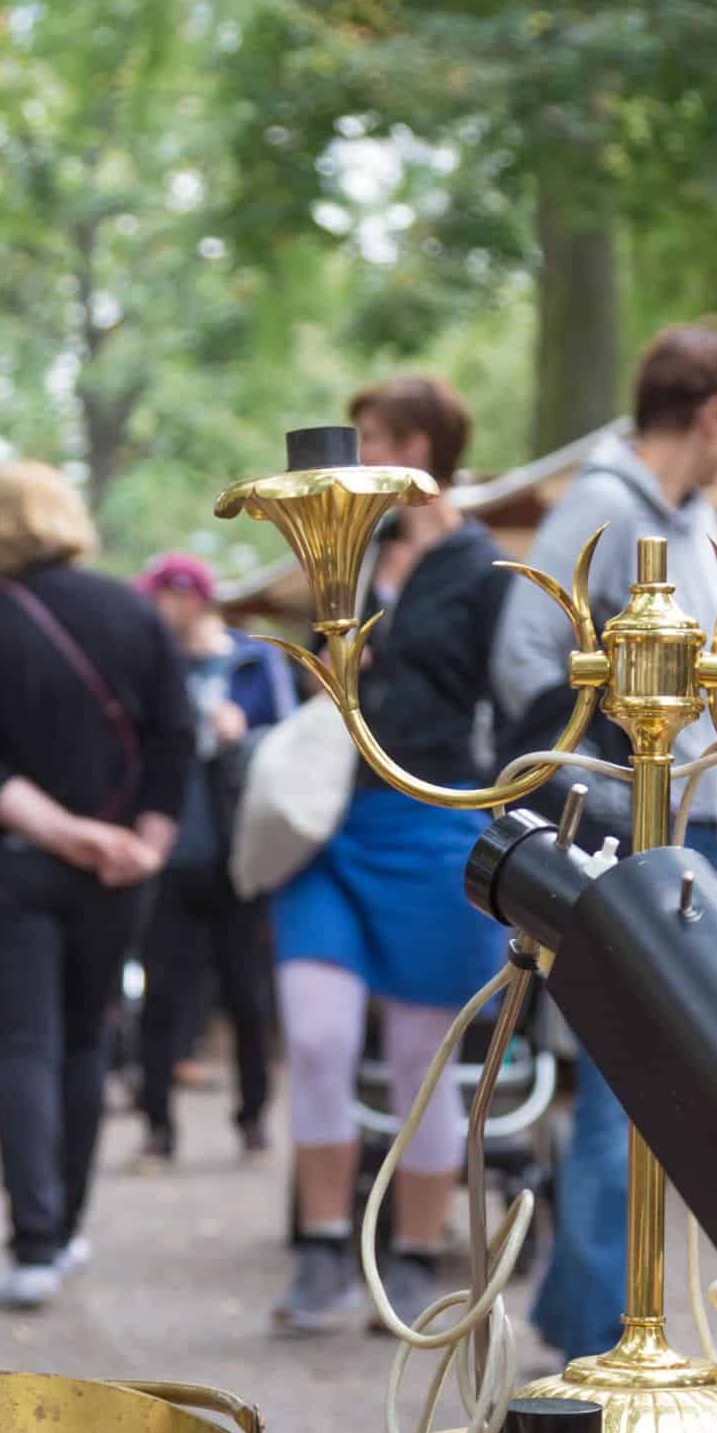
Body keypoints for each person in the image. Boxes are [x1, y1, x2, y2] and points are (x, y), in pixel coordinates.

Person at [495, 319, 717, 1363]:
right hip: (632, 821)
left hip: (686, 820)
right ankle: (602, 1334)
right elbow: (525, 660)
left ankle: (583, 1315)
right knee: (631, 1079)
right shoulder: (600, 508)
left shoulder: (686, 516)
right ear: (710, 413)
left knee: (651, 1078)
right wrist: (598, 793)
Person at [271, 375, 512, 1337]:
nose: (354, 455)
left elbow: (519, 696)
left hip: (436, 825)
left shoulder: (484, 566)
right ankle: (322, 1242)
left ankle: (414, 1257)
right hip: (332, 824)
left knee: (421, 1057)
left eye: (369, 438)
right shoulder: (355, 553)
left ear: (417, 450)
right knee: (318, 1036)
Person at [0, 462, 194, 1309]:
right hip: (120, 873)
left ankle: (34, 1240)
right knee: (86, 1038)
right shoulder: (134, 614)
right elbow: (177, 738)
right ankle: (68, 1227)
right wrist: (141, 843)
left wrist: (61, 834)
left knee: (25, 1044)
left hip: (11, 864)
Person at [132, 551, 295, 1163]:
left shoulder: (255, 662)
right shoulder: (154, 666)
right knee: (162, 998)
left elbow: (290, 749)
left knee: (248, 996)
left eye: (161, 597)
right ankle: (156, 1125)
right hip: (169, 856)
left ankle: (253, 1119)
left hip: (240, 857)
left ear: (190, 597)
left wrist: (242, 736)